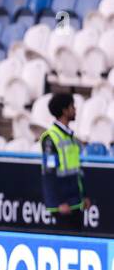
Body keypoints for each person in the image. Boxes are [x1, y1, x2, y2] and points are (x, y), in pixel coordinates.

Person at [39, 93, 88, 230]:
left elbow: (76, 170)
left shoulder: (71, 137)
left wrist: (84, 196)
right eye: (72, 106)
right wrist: (57, 202)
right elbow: (49, 173)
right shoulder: (50, 138)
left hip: (76, 202)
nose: (75, 110)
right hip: (63, 204)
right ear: (65, 110)